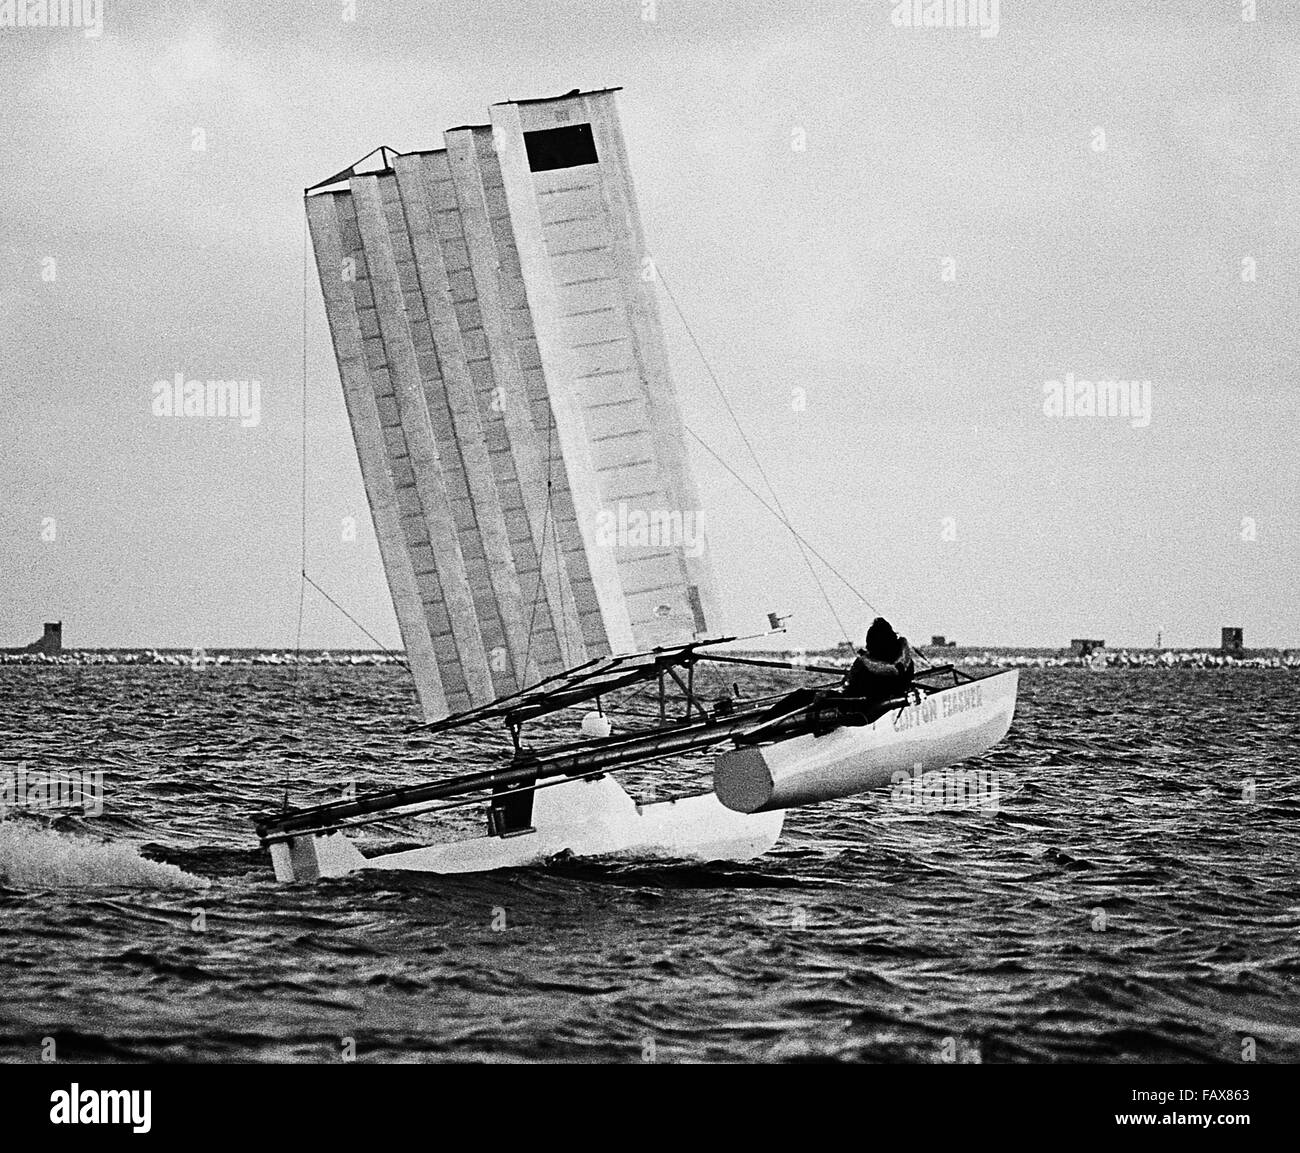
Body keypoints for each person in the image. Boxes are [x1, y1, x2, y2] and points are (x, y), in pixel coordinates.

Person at [842, 617, 914, 703]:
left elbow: (852, 688)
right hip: (897, 696)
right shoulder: (907, 662)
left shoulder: (863, 665)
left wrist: (848, 679)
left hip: (870, 705)